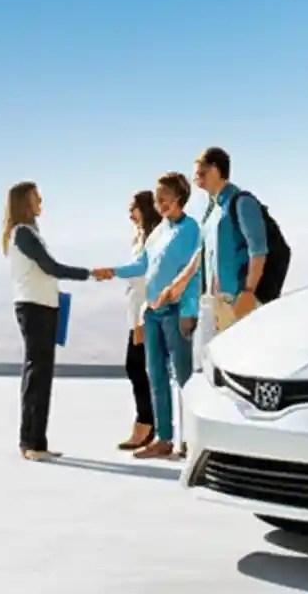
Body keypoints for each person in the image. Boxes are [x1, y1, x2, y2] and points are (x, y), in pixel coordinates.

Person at [94, 172, 202, 460]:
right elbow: (142, 264)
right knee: (155, 375)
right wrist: (113, 271)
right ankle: (164, 439)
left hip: (176, 311)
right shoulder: (159, 231)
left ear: (179, 197)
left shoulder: (191, 229)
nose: (159, 203)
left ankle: (194, 440)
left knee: (184, 378)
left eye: (164, 198)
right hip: (152, 312)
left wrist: (189, 310)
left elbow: (196, 272)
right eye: (156, 199)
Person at [2, 181, 94, 462]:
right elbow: (50, 267)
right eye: (35, 197)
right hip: (35, 309)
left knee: (40, 375)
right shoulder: (23, 234)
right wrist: (90, 273)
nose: (40, 201)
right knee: (37, 376)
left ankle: (35, 442)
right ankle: (31, 443)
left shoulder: (28, 233)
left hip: (42, 307)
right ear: (24, 203)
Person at [159, 146, 289, 338]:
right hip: (214, 304)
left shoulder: (242, 203)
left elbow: (258, 251)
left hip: (239, 302)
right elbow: (202, 254)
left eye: (201, 168)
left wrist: (248, 292)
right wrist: (178, 284)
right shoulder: (210, 213)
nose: (195, 173)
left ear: (216, 169)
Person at [117, 189, 161, 451]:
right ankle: (148, 423)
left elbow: (149, 281)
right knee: (139, 367)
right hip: (136, 313)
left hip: (147, 312)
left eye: (133, 207)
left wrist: (142, 319)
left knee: (138, 367)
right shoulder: (139, 239)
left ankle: (147, 423)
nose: (129, 213)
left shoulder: (154, 240)